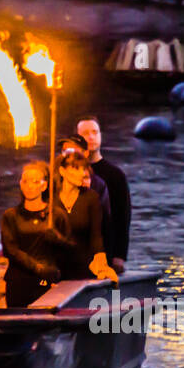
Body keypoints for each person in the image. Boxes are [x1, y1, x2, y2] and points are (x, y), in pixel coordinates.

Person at [1, 162, 77, 307]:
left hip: (47, 281)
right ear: (20, 184)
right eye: (25, 181)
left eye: (35, 182)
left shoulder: (56, 216)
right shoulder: (11, 216)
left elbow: (70, 249)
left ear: (44, 185)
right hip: (19, 282)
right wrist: (37, 267)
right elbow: (10, 250)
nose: (29, 186)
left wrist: (58, 239)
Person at [52, 147, 117, 283]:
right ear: (62, 171)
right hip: (55, 268)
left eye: (83, 169)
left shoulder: (91, 198)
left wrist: (101, 264)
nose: (82, 174)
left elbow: (96, 236)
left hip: (83, 268)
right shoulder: (50, 199)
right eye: (76, 169)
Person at [77, 115, 131, 273]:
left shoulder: (115, 175)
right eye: (85, 133)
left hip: (106, 249)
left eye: (95, 132)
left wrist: (119, 255)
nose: (91, 137)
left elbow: (123, 217)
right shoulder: (70, 172)